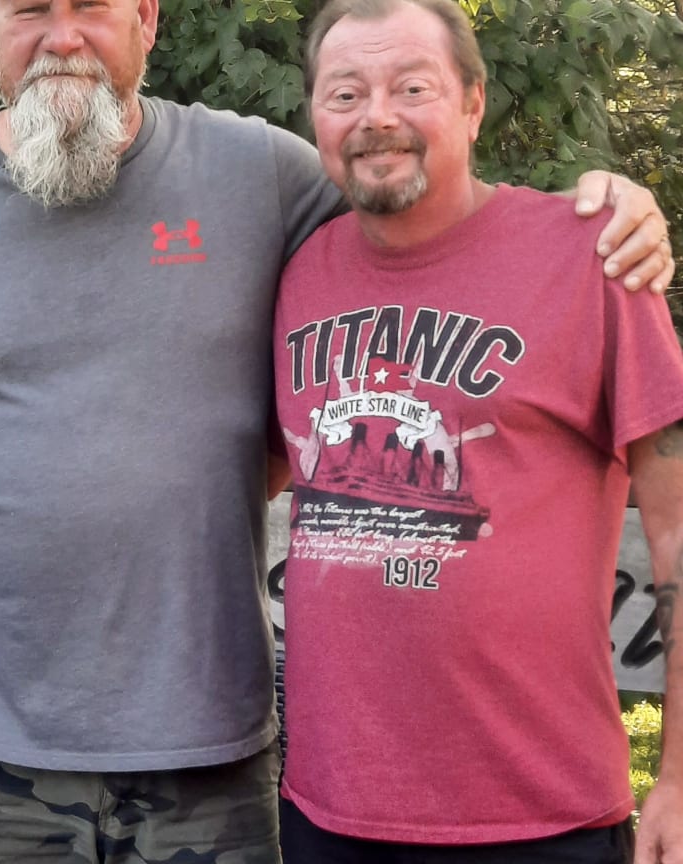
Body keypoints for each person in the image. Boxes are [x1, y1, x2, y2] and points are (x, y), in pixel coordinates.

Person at [0, 0, 675, 860]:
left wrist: (605, 207)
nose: (63, 35)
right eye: (31, 11)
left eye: (92, 7)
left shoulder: (261, 175)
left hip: (213, 747)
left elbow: (417, 206)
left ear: (148, 21)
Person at [271, 0, 683, 861]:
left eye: (411, 85)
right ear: (315, 115)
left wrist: (678, 776)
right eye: (344, 92)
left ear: (472, 102)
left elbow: (678, 529)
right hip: (328, 813)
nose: (377, 115)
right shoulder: (299, 270)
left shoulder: (595, 257)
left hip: (542, 816)